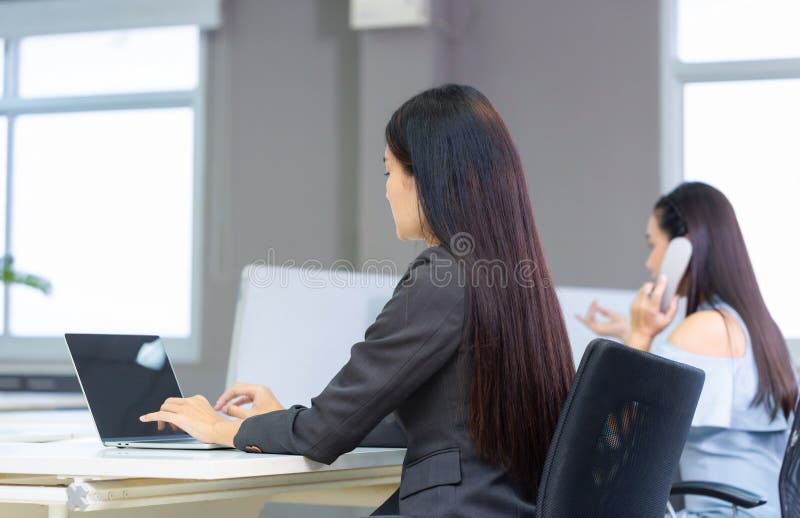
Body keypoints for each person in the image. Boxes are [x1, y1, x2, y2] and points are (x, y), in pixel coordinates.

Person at [140, 84, 575, 517]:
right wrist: (284, 419)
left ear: (425, 176)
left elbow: (324, 432)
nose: (387, 190)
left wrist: (221, 428)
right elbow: (406, 427)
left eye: (389, 172)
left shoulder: (441, 278)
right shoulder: (518, 281)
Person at [579, 181, 797, 517]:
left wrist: (641, 335)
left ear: (682, 249)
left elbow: (617, 440)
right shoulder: (757, 330)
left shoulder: (703, 329)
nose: (650, 262)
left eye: (653, 245)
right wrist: (630, 330)